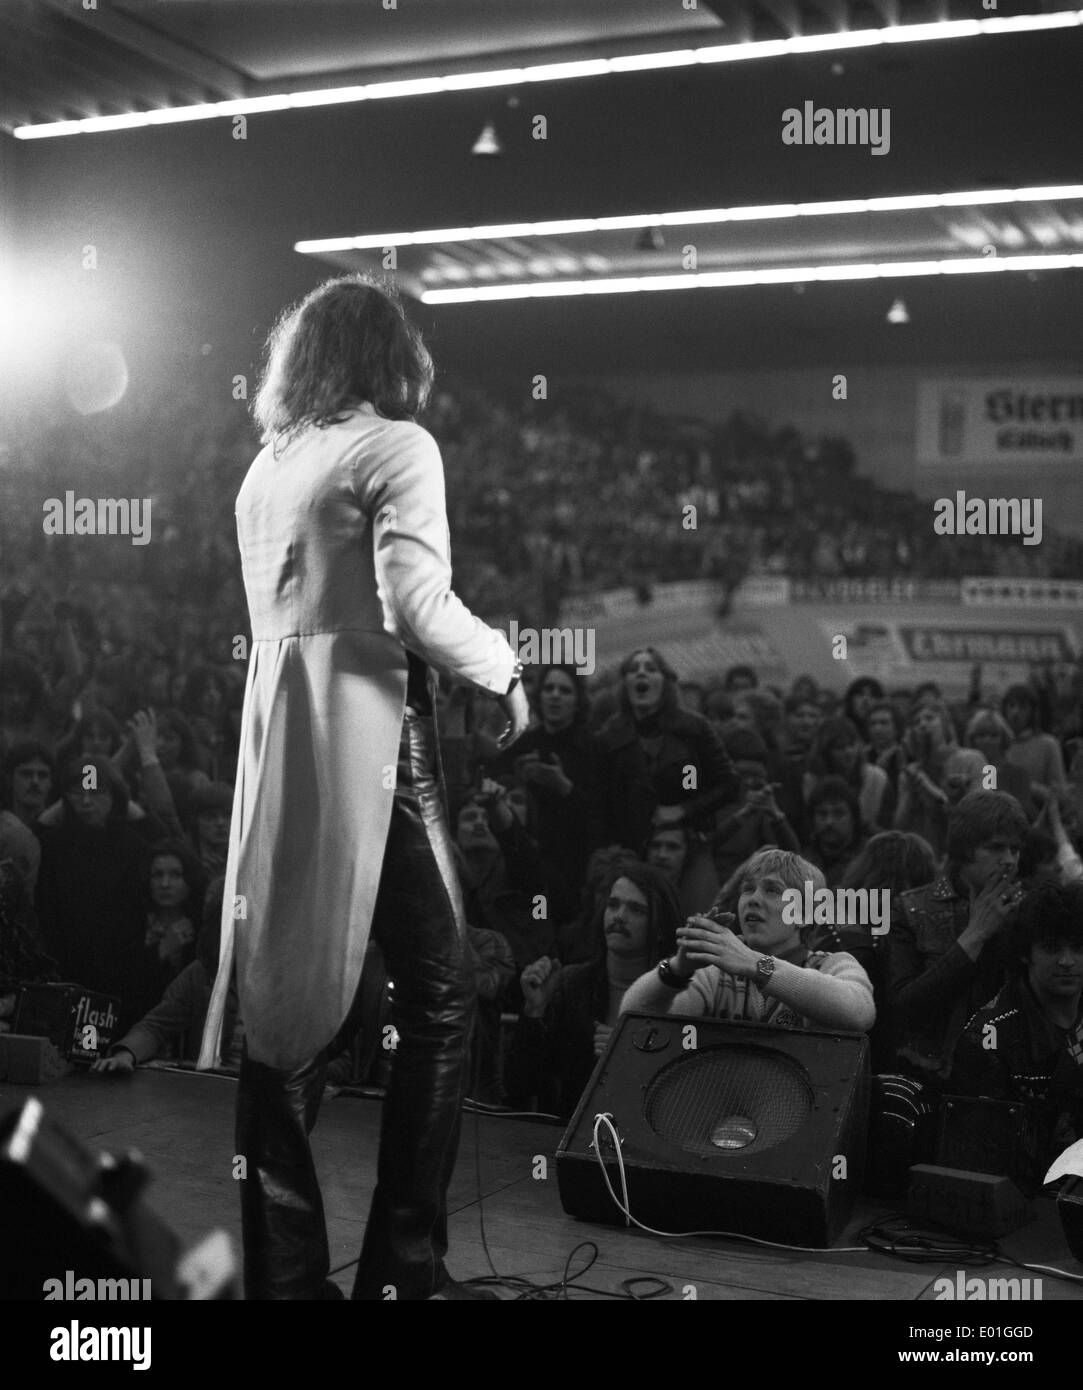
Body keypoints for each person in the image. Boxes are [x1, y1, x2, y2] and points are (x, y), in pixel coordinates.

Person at [196, 274, 529, 1302]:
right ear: (393, 354)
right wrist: (505, 668)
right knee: (442, 990)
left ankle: (285, 1282)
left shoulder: (269, 467)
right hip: (377, 731)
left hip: (282, 737)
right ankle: (405, 1269)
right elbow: (417, 606)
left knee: (288, 992)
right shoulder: (396, 445)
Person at [620, 847, 875, 1033]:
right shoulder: (716, 973)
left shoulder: (832, 964)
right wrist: (678, 968)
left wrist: (757, 964)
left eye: (772, 890)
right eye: (748, 889)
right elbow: (632, 1021)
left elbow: (859, 1012)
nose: (753, 898)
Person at [503, 862, 681, 1118]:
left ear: (661, 928)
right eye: (613, 905)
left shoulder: (681, 994)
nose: (619, 916)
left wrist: (632, 1057)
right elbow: (518, 1088)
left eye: (636, 909)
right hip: (565, 1140)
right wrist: (534, 1011)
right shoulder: (570, 984)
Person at [949, 881, 1083, 1193]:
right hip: (1024, 1203)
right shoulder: (988, 1036)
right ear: (1026, 953)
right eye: (1052, 948)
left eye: (1078, 947)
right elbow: (978, 1163)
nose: (1067, 961)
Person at [887, 789, 1029, 1080]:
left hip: (1004, 1082)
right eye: (996, 848)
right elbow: (903, 1008)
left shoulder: (1028, 911)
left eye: (1014, 849)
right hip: (926, 1078)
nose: (1009, 860)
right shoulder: (912, 908)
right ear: (965, 850)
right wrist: (974, 936)